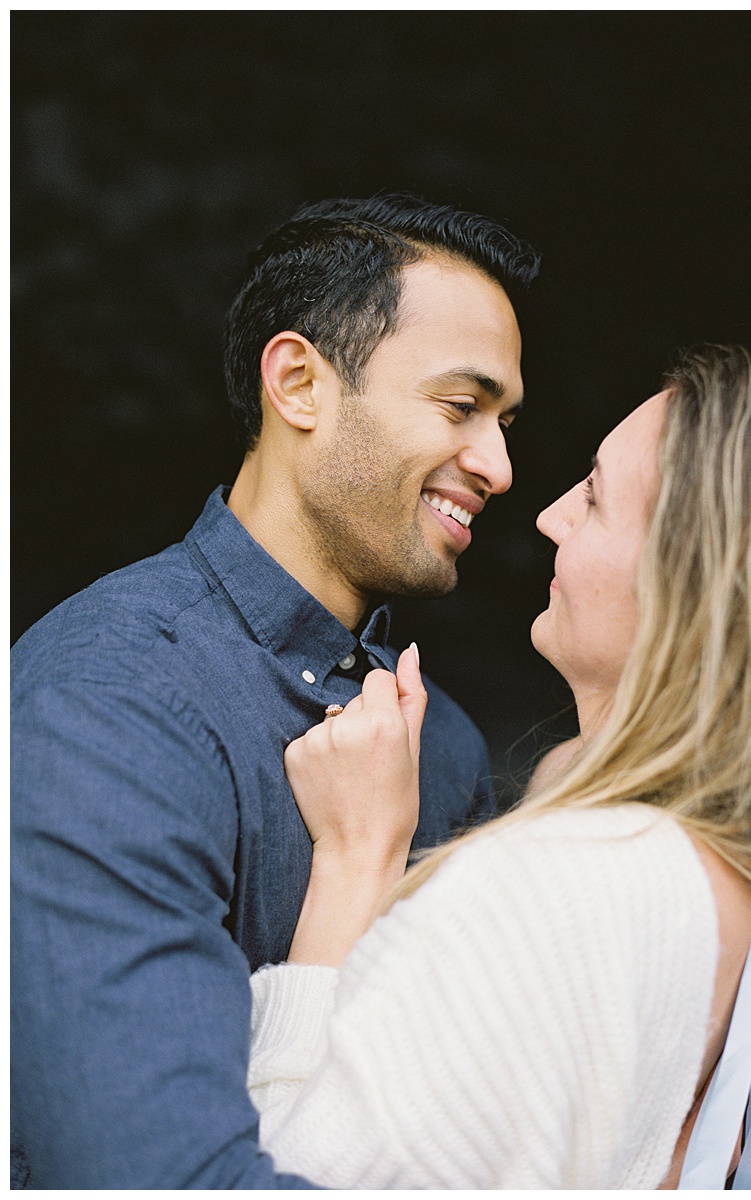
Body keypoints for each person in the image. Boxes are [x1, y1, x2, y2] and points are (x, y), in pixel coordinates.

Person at [244, 344, 751, 1189]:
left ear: (691, 588)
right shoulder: (734, 881)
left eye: (595, 498)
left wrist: (355, 859)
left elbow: (276, 1180)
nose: (547, 515)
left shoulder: (555, 891)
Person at [10, 194, 539, 1188]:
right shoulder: (106, 704)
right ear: (298, 383)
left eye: (504, 422)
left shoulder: (447, 748)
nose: (499, 466)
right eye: (460, 407)